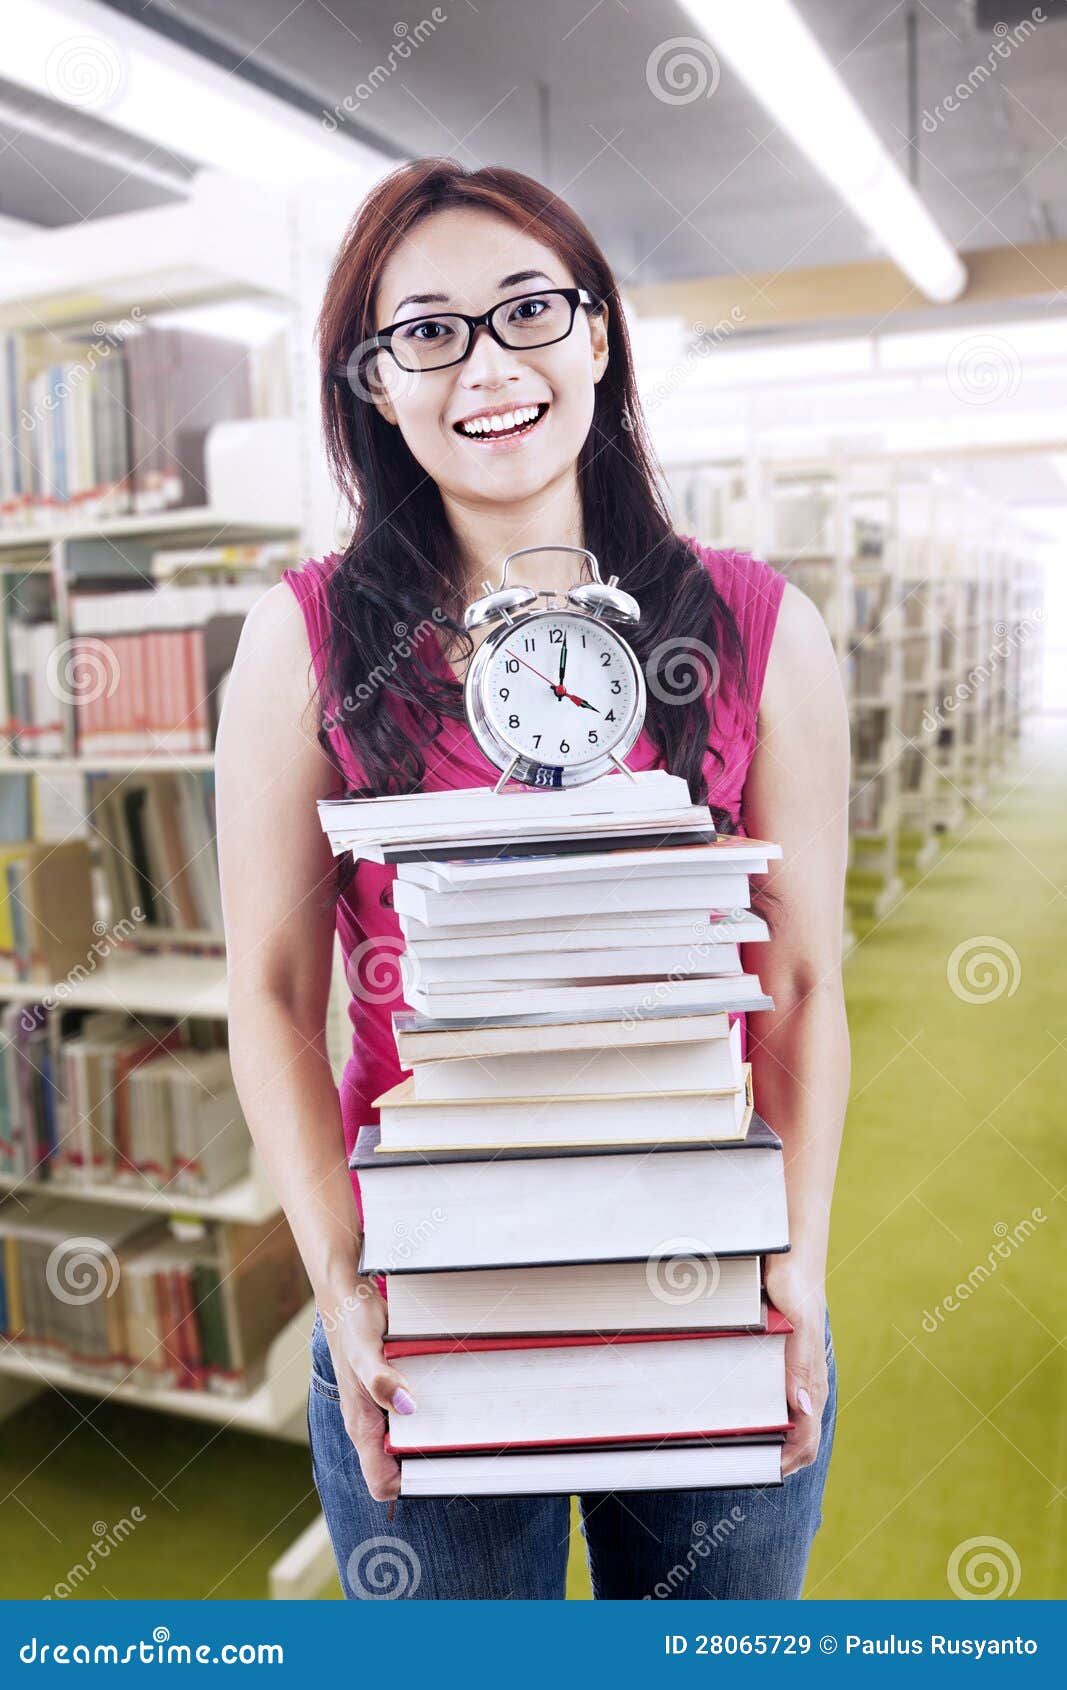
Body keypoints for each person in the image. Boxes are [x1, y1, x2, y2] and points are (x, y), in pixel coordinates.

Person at [215, 158, 851, 1600]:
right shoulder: (307, 642)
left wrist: (796, 1266)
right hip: (426, 1289)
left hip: (709, 1269)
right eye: (428, 331)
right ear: (376, 384)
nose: (488, 365)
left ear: (598, 335)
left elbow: (806, 984)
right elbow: (270, 993)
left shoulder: (756, 627)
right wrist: (344, 1285)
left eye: (528, 310)